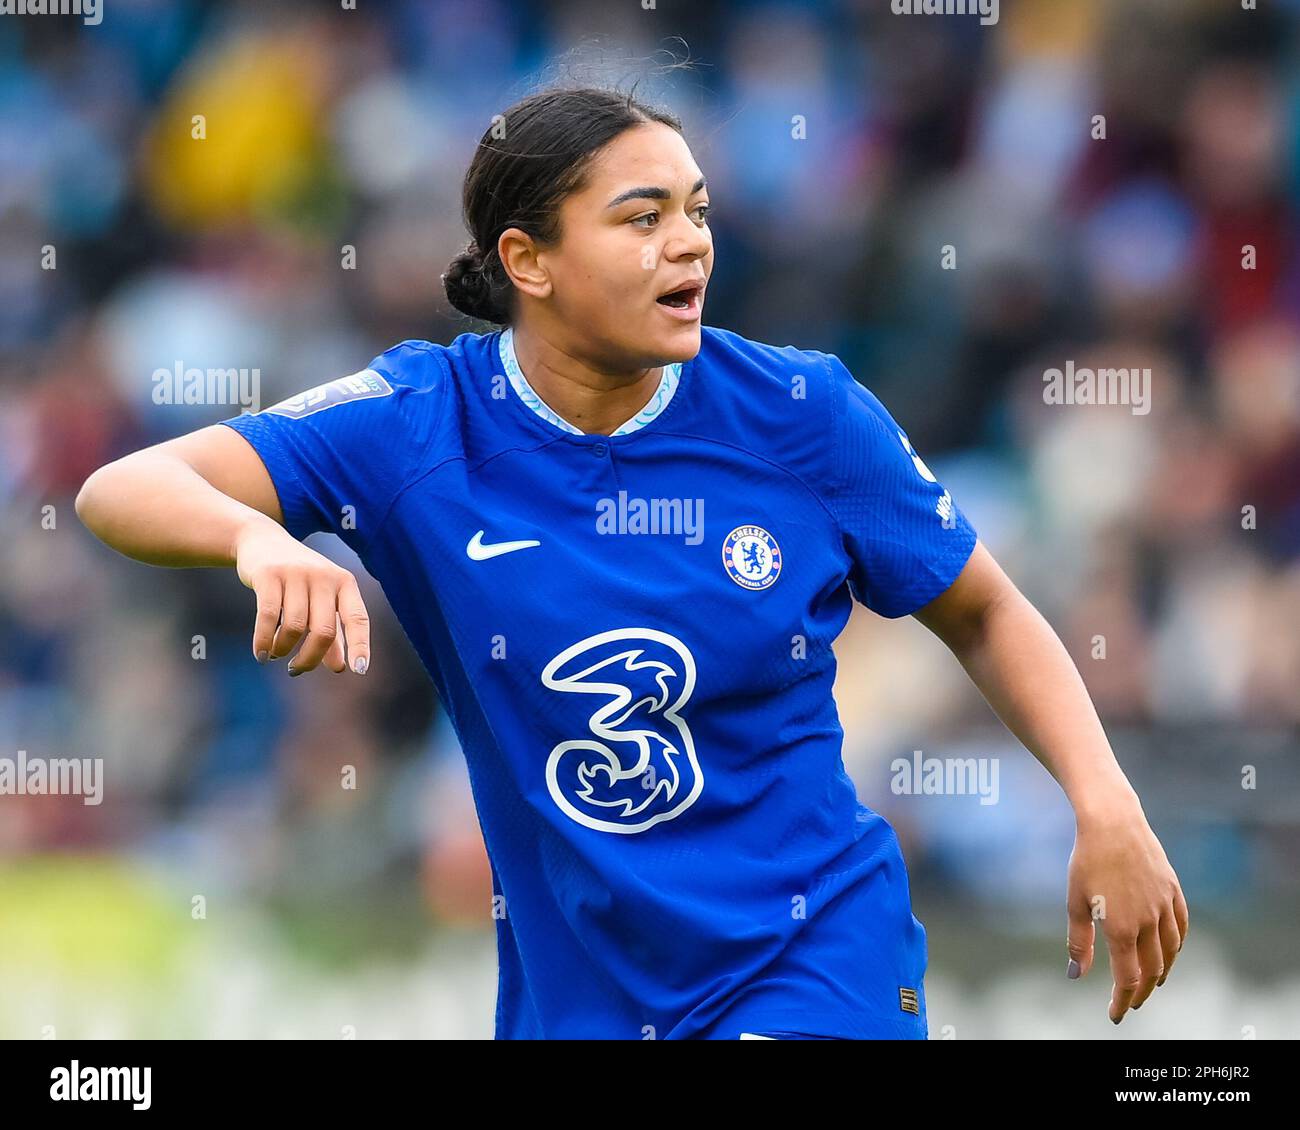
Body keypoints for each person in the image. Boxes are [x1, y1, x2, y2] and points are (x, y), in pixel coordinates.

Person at [76, 84, 1188, 1040]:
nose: (691, 240)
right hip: (583, 993)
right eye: (641, 216)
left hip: (814, 958)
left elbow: (983, 610)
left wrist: (1106, 804)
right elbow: (119, 488)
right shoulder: (419, 423)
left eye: (697, 211)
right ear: (528, 260)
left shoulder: (802, 412)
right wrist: (254, 533)